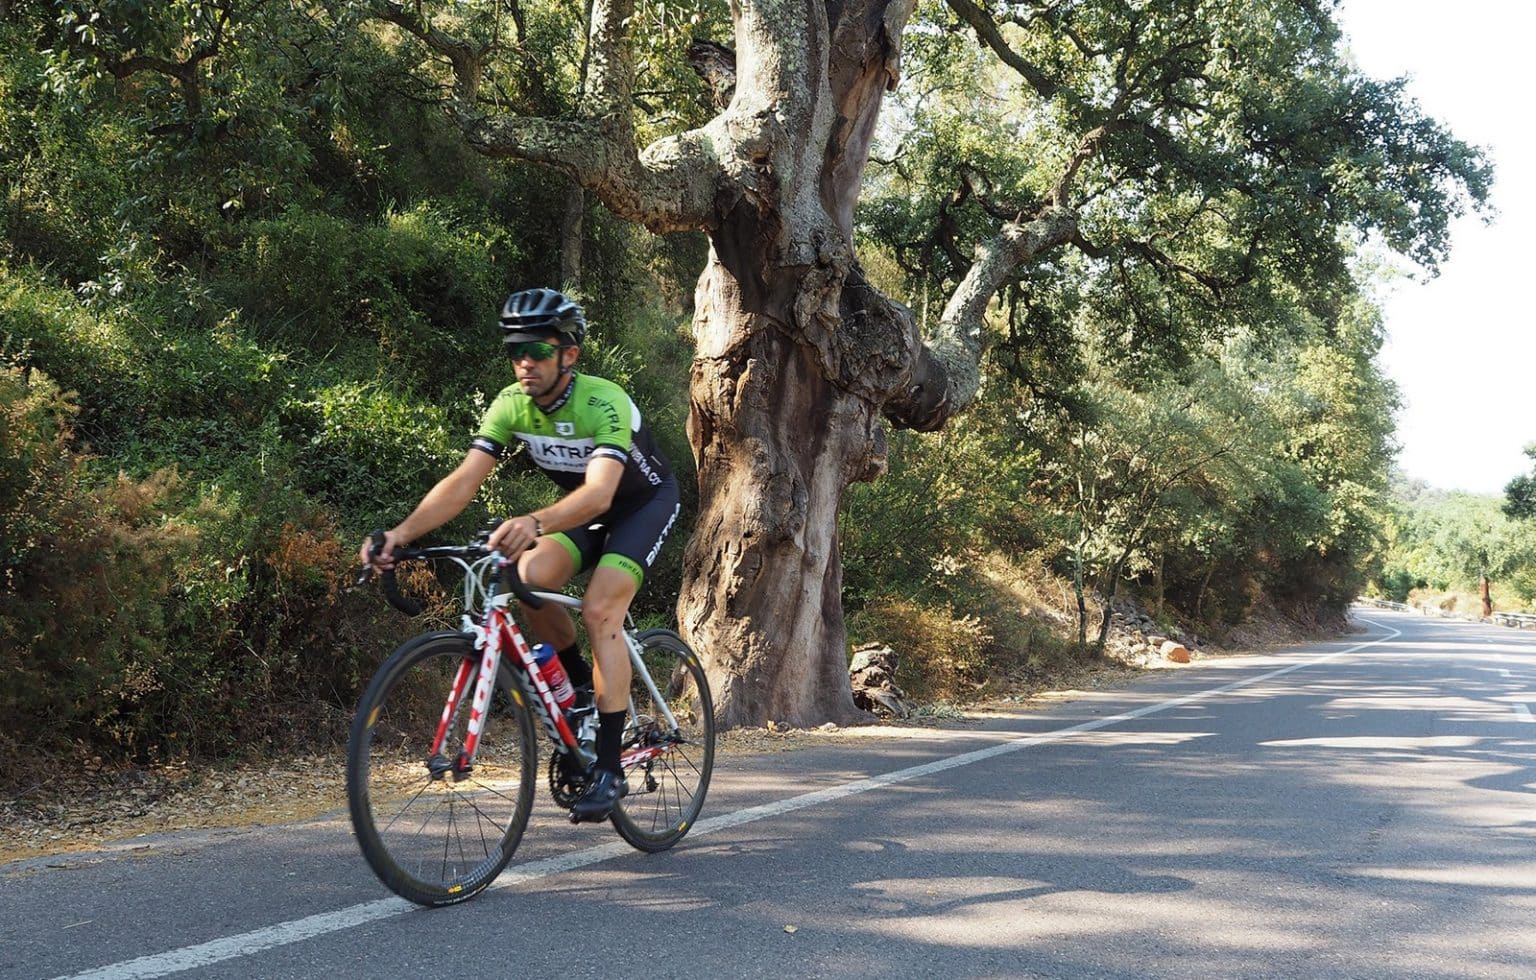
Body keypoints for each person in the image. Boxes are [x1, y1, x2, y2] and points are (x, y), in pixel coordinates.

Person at [358, 287, 681, 821]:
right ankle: (580, 688)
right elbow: (464, 481)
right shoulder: (511, 404)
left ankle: (609, 769)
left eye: (537, 350)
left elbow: (601, 494)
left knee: (601, 609)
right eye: (515, 351)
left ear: (569, 354)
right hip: (582, 511)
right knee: (525, 575)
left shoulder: (604, 401)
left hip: (641, 505)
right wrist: (400, 534)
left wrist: (533, 521)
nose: (525, 362)